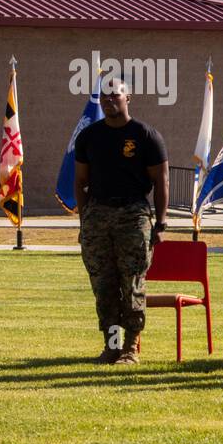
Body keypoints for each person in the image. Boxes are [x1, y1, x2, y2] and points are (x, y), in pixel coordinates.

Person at [74, 78, 169, 365]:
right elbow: (80, 181)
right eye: (104, 97)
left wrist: (161, 224)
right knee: (103, 287)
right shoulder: (89, 136)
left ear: (129, 97)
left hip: (133, 215)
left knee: (132, 285)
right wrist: (85, 221)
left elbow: (161, 182)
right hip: (97, 216)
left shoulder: (146, 135)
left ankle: (130, 348)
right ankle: (112, 346)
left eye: (115, 95)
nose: (108, 100)